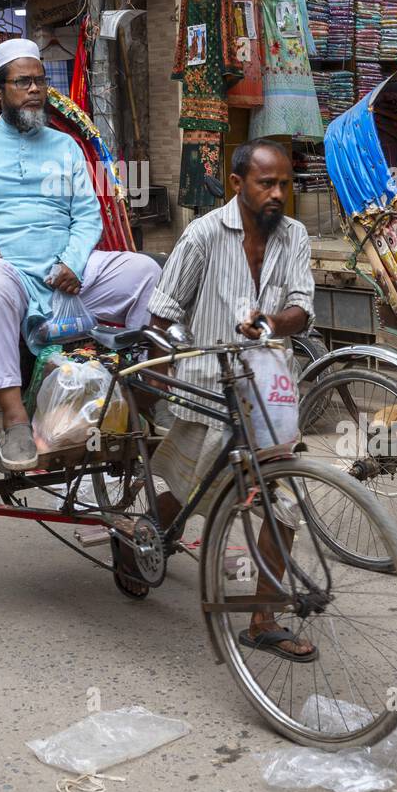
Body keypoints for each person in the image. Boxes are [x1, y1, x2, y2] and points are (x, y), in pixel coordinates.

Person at [0, 37, 161, 472]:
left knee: (143, 271)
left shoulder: (66, 147)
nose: (35, 89)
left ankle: (139, 391)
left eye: (40, 81)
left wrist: (73, 260)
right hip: (2, 270)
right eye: (23, 82)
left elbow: (87, 216)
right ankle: (15, 418)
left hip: (63, 271)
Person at [147, 138, 317, 661]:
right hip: (207, 387)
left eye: (284, 184)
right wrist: (158, 377)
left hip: (268, 393)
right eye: (266, 183)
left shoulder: (294, 236)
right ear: (237, 183)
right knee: (195, 489)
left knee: (283, 503)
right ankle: (146, 533)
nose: (277, 193)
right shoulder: (203, 235)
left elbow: (302, 309)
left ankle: (263, 619)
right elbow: (163, 312)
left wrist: (273, 322)